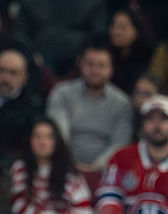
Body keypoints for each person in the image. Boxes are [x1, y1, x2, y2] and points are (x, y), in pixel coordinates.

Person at [46, 42, 134, 172]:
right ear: (80, 65)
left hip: (106, 171)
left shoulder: (123, 103)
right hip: (63, 166)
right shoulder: (61, 93)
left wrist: (95, 168)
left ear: (111, 70)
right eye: (89, 64)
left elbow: (119, 144)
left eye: (101, 66)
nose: (95, 71)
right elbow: (59, 135)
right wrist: (70, 164)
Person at [3, 119, 94, 214]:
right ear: (30, 141)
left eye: (48, 137)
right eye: (37, 137)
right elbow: (19, 207)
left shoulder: (71, 173)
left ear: (57, 141)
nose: (43, 142)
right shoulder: (20, 168)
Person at [107, 7, 154, 94]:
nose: (115, 31)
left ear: (137, 31)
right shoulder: (106, 53)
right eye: (113, 25)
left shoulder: (149, 57)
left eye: (122, 27)